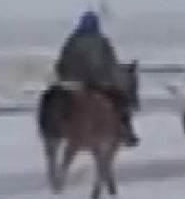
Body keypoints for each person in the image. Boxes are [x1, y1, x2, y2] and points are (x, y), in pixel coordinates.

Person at [54, 10, 139, 147]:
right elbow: (110, 62)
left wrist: (64, 76)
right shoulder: (101, 40)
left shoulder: (72, 40)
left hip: (72, 81)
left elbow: (62, 62)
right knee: (120, 101)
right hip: (95, 81)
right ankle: (126, 132)